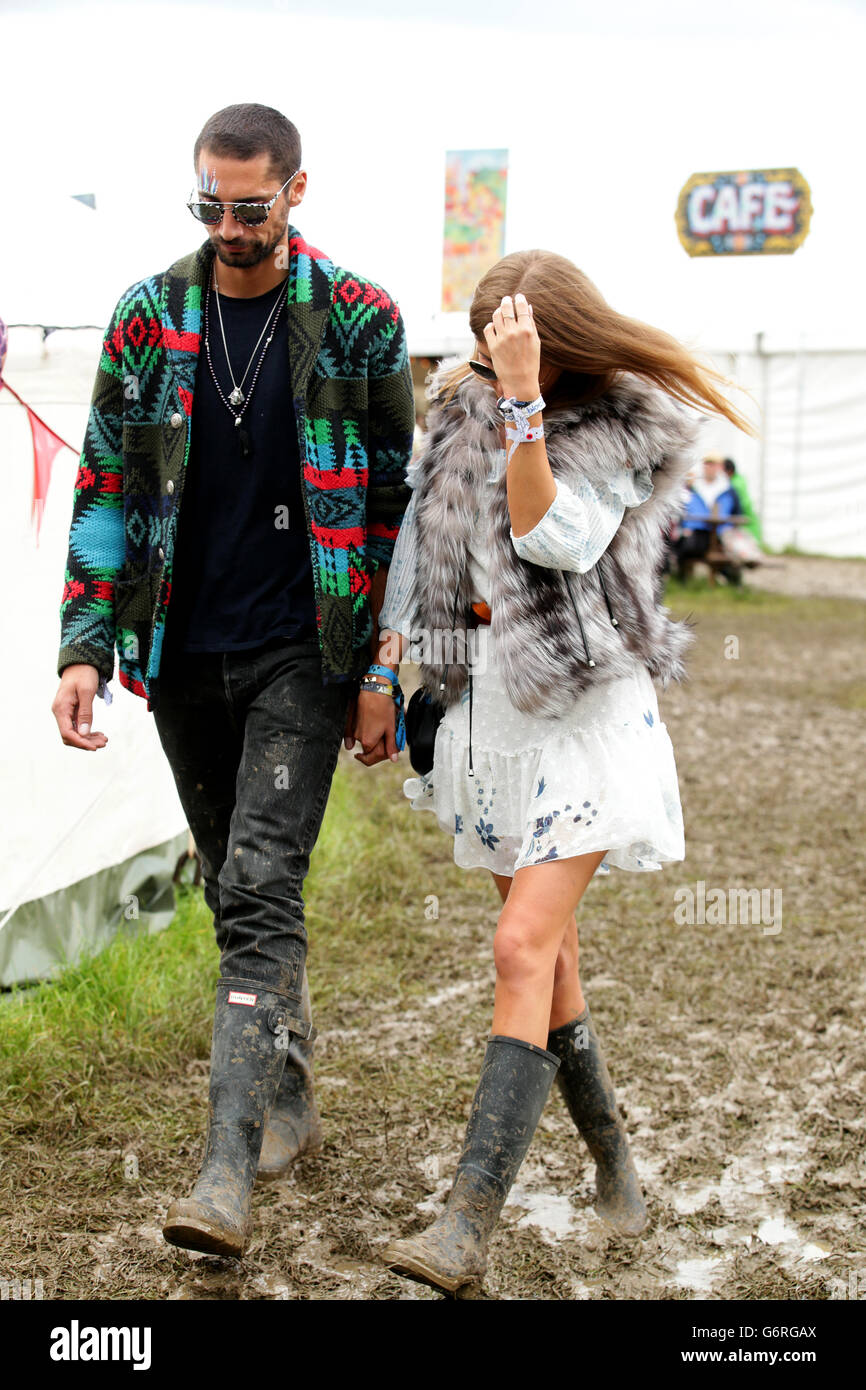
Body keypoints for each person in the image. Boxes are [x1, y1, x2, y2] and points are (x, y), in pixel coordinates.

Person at [51, 103, 415, 1257]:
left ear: (295, 193)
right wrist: (84, 645)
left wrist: (384, 670)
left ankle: (225, 1173)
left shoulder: (358, 320)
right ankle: (291, 1096)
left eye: (248, 206)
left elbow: (402, 511)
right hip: (179, 652)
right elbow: (105, 489)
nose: (227, 224)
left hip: (305, 652)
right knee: (228, 881)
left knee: (259, 887)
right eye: (208, 202)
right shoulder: (150, 316)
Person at [372, 250, 750, 1294]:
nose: (494, 365)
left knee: (517, 943)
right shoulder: (458, 408)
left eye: (515, 348)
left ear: (556, 339)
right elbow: (420, 539)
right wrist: (382, 662)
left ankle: (463, 1228)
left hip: (584, 717)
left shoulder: (619, 424)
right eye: (487, 349)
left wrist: (528, 407)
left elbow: (552, 538)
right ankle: (614, 1161)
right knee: (552, 963)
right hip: (486, 712)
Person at [724, 456, 763, 544]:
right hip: (748, 511)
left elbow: (737, 502)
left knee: (746, 537)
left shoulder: (733, 483)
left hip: (744, 512)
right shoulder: (740, 478)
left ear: (728, 471)